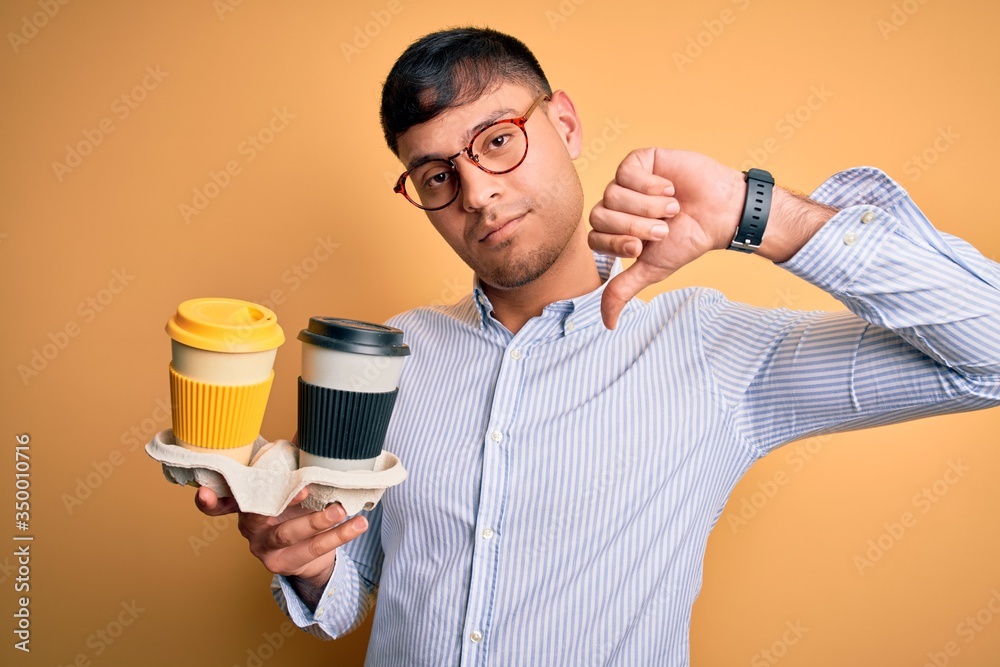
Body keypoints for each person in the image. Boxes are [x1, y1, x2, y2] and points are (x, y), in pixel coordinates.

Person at [196, 26, 1000, 666]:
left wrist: (760, 213)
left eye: (498, 140)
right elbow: (356, 586)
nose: (477, 191)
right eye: (436, 175)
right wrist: (304, 557)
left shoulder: (712, 351)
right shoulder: (394, 355)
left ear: (567, 124)